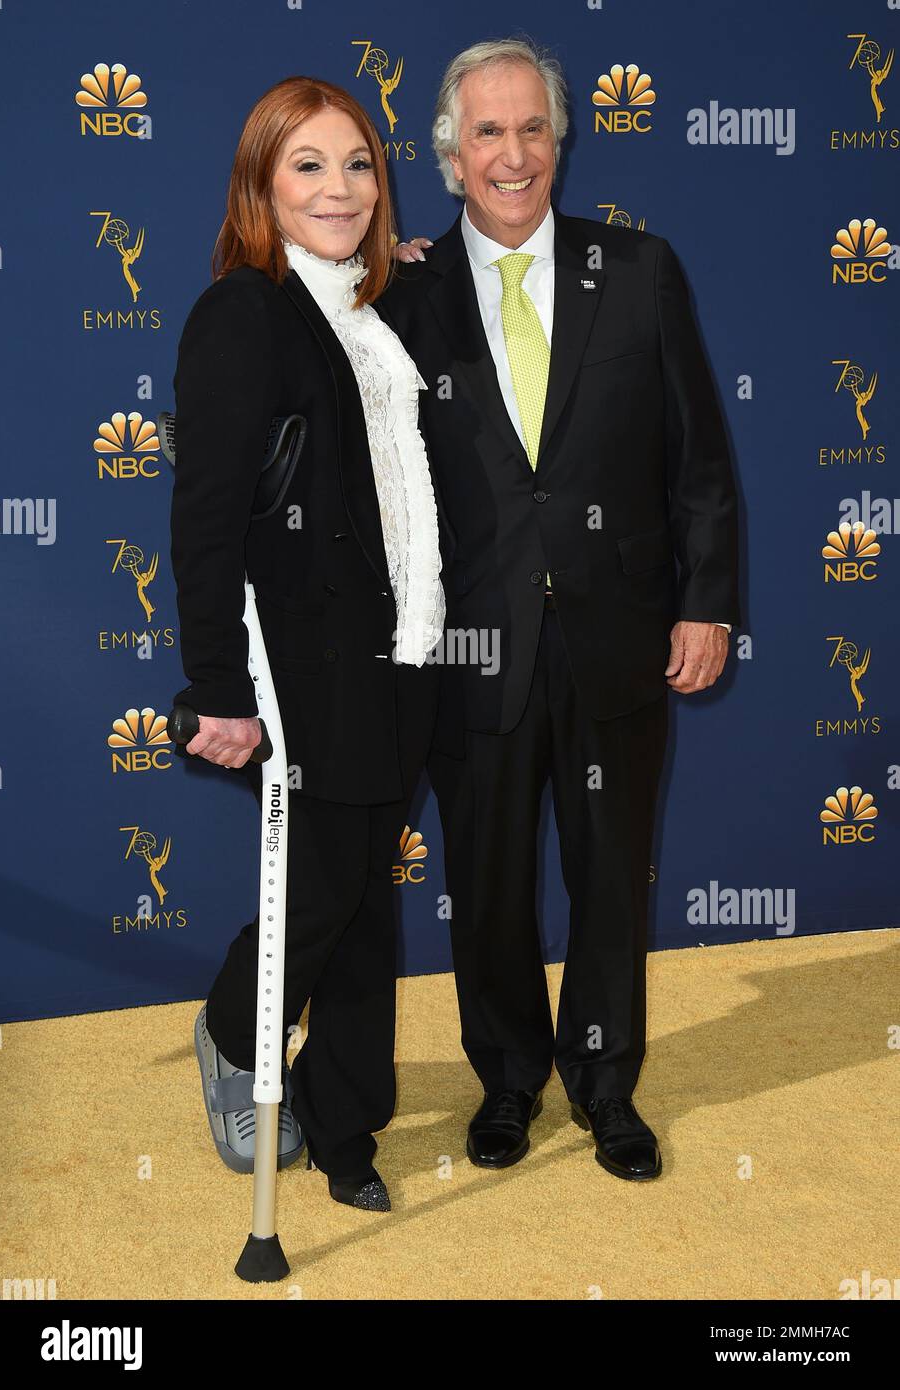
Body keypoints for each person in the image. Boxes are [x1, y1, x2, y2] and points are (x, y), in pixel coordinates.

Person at [381, 37, 740, 1181]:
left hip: (619, 635)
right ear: (449, 155)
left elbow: (698, 455)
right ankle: (507, 1082)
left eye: (532, 127)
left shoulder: (638, 269)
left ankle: (606, 1086)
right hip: (473, 645)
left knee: (608, 874)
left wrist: (707, 603)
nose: (514, 153)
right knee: (484, 884)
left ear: (561, 139)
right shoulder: (404, 294)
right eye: (487, 132)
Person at [169, 76, 446, 1211]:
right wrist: (221, 690)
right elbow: (203, 518)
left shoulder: (367, 311)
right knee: (321, 890)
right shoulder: (244, 311)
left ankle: (345, 1122)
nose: (340, 187)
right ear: (260, 185)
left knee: (364, 892)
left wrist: (412, 274)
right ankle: (235, 1035)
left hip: (401, 647)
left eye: (360, 164)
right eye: (308, 165)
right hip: (301, 667)